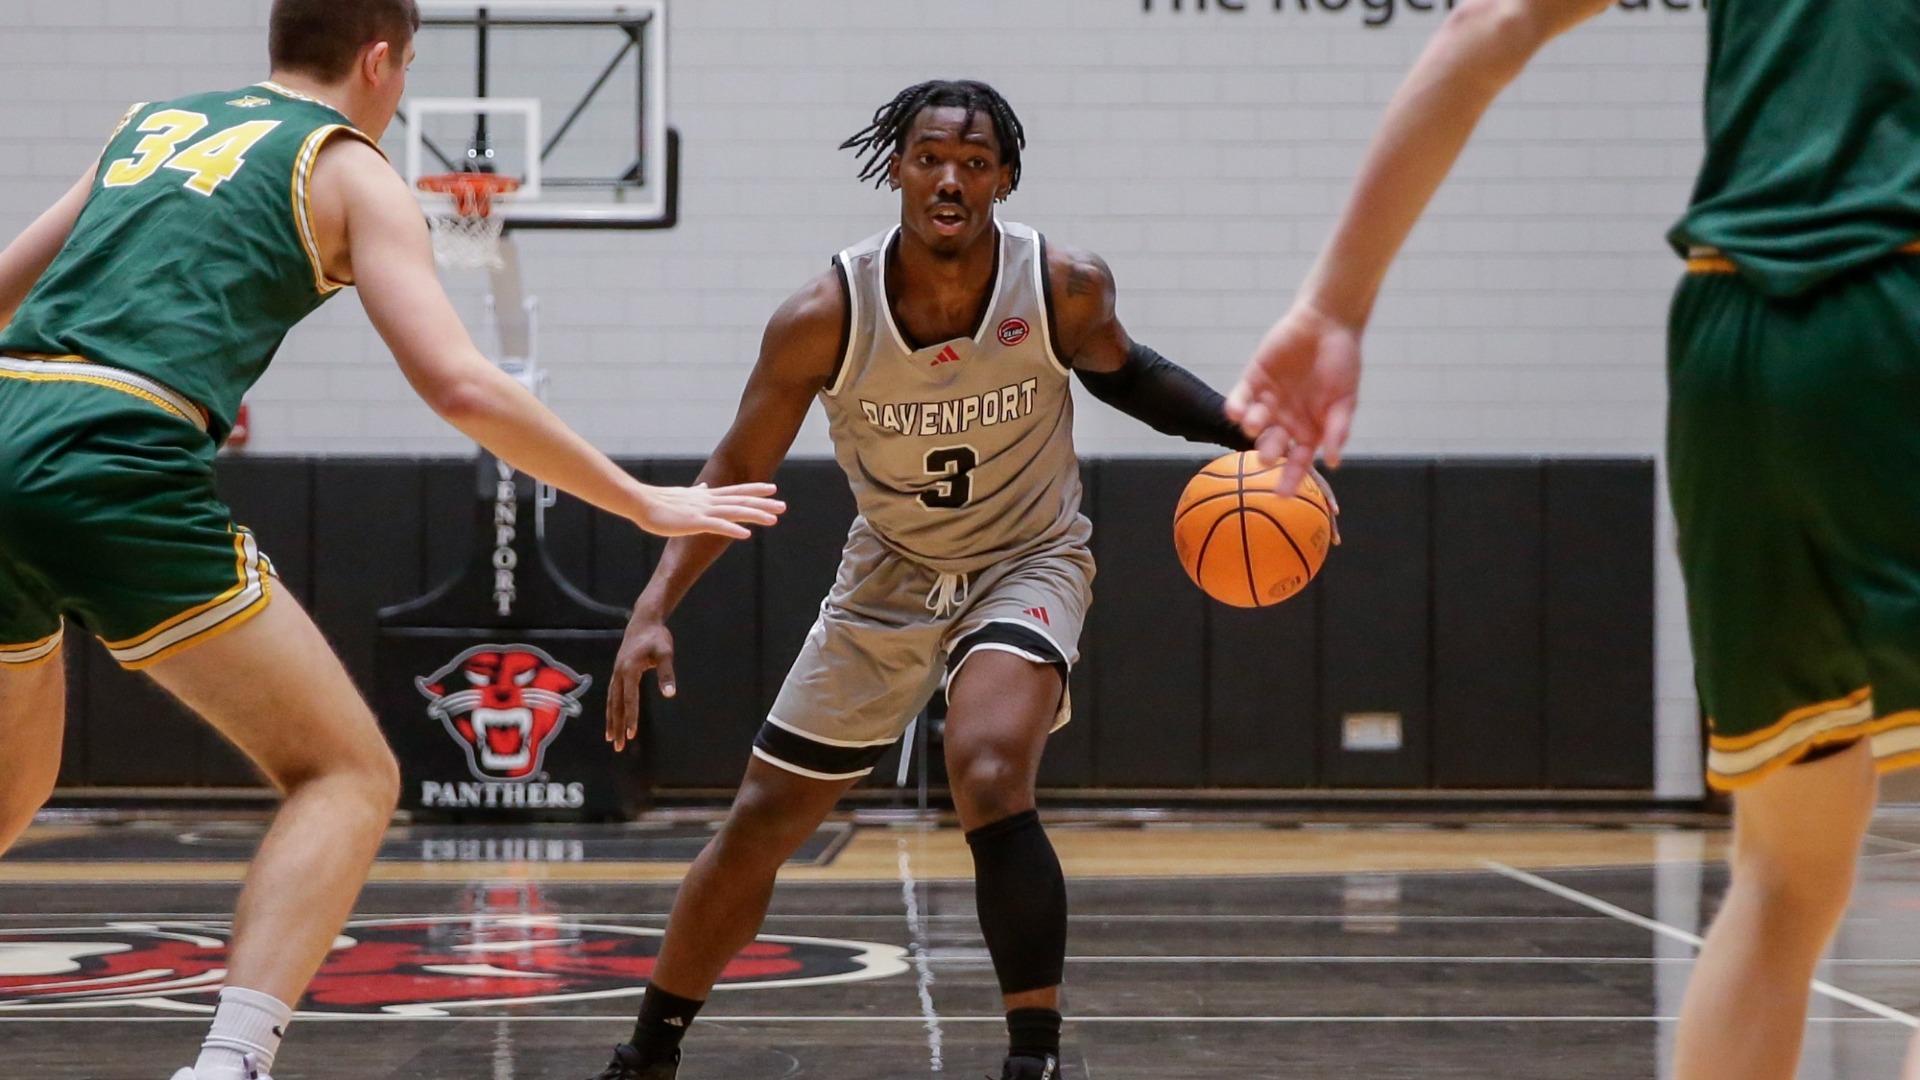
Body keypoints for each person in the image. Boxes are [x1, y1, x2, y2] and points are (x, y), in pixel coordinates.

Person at [0, 2, 784, 1078]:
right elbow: (461, 384)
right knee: (348, 772)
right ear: (378, 59)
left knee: (14, 784)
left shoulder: (151, 124)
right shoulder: (350, 168)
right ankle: (229, 1065)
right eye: (408, 67)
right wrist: (639, 500)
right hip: (113, 454)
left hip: (7, 415)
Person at [1225, 0, 1920, 1077]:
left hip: (1734, 340)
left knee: (1785, 875)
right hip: (1901, 293)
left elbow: (1485, 25)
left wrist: (1333, 306)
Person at [583, 79, 1263, 1080]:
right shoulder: (824, 315)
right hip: (890, 572)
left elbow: (1130, 374)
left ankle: (1034, 1059)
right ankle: (647, 1056)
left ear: (1005, 179)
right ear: (896, 169)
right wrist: (652, 607)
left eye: (975, 163)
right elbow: (738, 468)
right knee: (760, 824)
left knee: (987, 770)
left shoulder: (1062, 285)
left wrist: (1255, 438)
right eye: (930, 158)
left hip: (1027, 556)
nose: (951, 179)